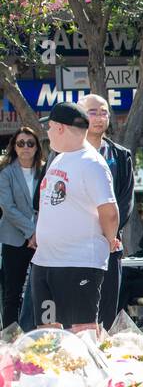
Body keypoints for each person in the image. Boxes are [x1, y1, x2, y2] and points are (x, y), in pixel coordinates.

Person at [28, 102, 120, 331]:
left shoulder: (92, 163)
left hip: (78, 261)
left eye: (49, 127)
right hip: (45, 261)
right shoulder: (59, 158)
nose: (47, 133)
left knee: (82, 329)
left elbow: (108, 210)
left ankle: (87, 367)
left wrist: (111, 239)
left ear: (60, 128)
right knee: (47, 330)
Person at [82, 95, 135, 326]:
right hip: (78, 242)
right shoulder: (66, 154)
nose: (99, 117)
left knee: (107, 309)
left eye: (104, 112)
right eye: (93, 112)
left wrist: (109, 233)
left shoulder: (120, 155)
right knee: (78, 307)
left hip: (110, 243)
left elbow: (125, 200)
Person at [0, 127, 43, 328]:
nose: (25, 147)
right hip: (14, 239)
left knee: (42, 290)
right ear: (14, 147)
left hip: (44, 240)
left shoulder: (46, 171)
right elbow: (8, 207)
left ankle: (37, 333)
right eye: (21, 143)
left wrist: (39, 233)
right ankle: (10, 337)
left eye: (30, 143)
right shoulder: (6, 173)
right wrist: (31, 232)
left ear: (36, 147)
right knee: (12, 293)